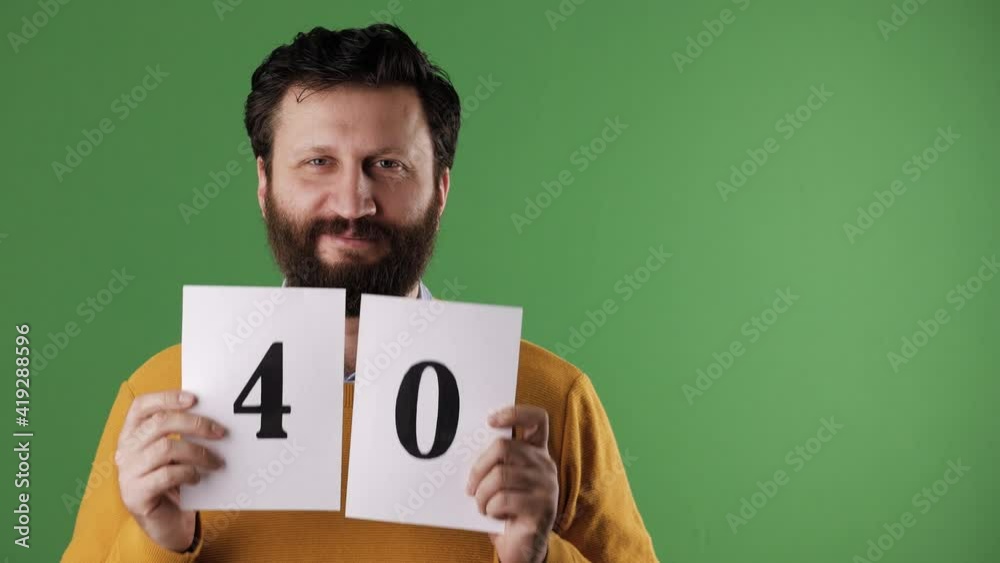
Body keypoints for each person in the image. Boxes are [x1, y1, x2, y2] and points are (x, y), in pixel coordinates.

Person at [62, 23, 657, 563]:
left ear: (441, 189)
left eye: (389, 165)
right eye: (318, 161)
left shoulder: (549, 401)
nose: (352, 203)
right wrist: (160, 543)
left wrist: (536, 556)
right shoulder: (163, 400)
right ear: (264, 185)